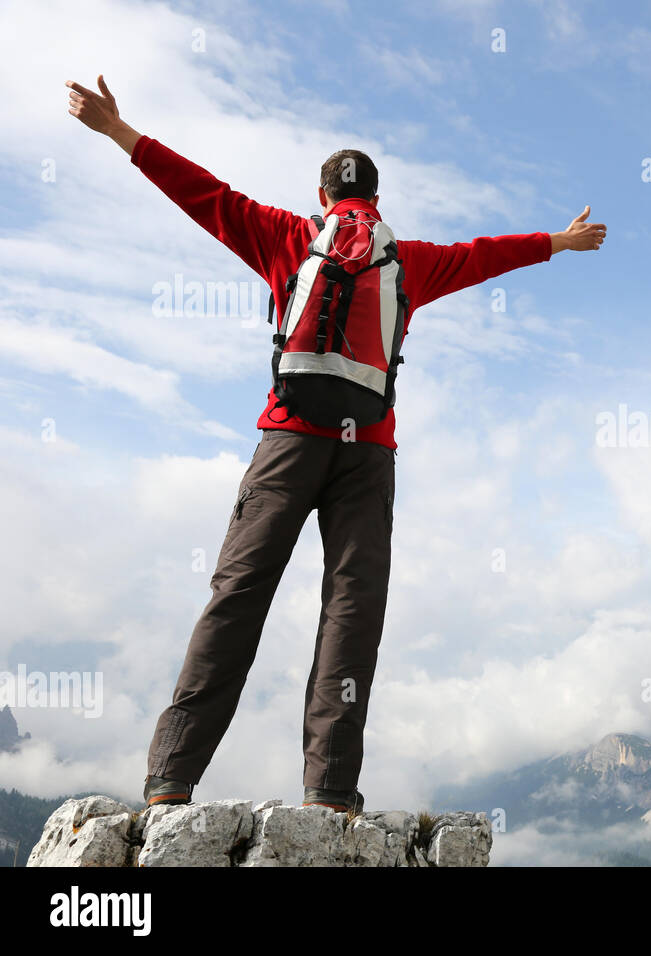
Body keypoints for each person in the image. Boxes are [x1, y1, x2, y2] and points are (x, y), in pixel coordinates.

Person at [65, 74, 606, 812]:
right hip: (367, 452)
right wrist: (559, 242)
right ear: (378, 200)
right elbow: (485, 253)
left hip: (288, 440)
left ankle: (171, 777)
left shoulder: (288, 238)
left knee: (239, 595)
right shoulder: (408, 260)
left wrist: (119, 133)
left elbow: (204, 195)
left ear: (323, 197)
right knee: (351, 610)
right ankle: (329, 789)